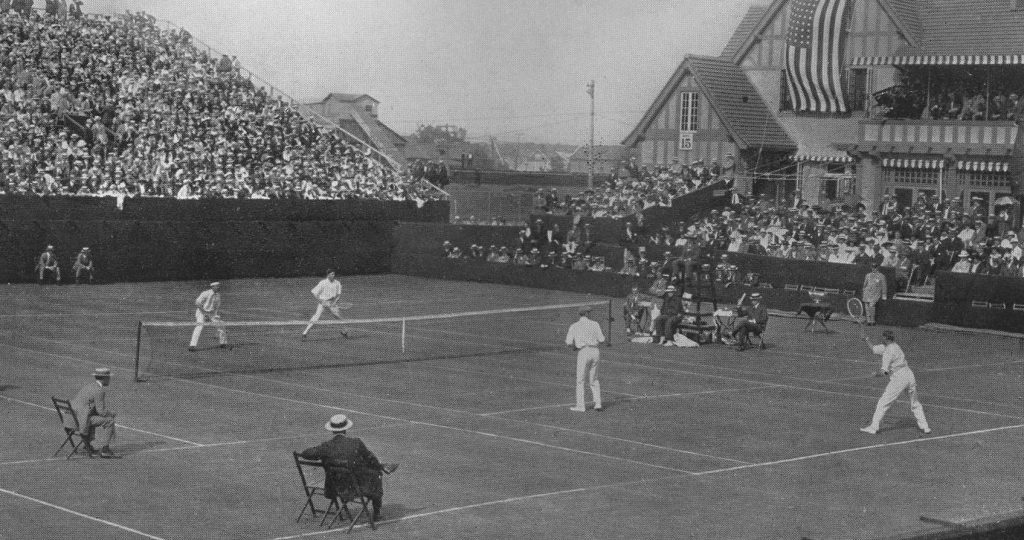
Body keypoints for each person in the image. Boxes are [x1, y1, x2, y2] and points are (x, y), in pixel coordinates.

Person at [299, 414, 396, 522]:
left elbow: (306, 453)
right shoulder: (356, 443)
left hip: (334, 487)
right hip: (354, 487)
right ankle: (377, 513)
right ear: (345, 429)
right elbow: (371, 460)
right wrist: (380, 466)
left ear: (332, 430)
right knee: (377, 474)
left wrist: (320, 452)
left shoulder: (326, 446)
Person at [859, 330, 931, 435]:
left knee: (883, 403)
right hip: (909, 375)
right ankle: (925, 427)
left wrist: (875, 374)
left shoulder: (888, 351)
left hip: (899, 378)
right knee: (915, 403)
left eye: (882, 337)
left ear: (886, 338)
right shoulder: (894, 346)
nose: (881, 339)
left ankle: (873, 427)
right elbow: (874, 349)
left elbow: (884, 372)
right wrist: (866, 339)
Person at [68, 367, 118, 458]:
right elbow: (101, 412)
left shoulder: (89, 386)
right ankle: (105, 450)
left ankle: (86, 445)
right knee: (110, 421)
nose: (110, 379)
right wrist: (112, 413)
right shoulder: (99, 390)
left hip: (73, 418)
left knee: (93, 416)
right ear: (105, 378)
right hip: (81, 420)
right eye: (109, 377)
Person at [564, 305, 605, 412]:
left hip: (583, 352)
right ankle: (598, 403)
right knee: (594, 378)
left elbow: (568, 343)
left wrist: (575, 346)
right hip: (595, 351)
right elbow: (601, 339)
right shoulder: (595, 324)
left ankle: (581, 406)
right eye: (589, 312)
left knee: (580, 380)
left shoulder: (574, 326)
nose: (590, 314)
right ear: (586, 313)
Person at [301, 270, 349, 339]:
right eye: (332, 274)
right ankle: (305, 333)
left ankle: (344, 332)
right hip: (322, 303)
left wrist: (334, 302)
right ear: (328, 275)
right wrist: (321, 301)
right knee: (316, 317)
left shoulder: (337, 283)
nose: (333, 275)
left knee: (339, 317)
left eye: (334, 274)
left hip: (332, 303)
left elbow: (338, 294)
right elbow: (314, 293)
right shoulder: (322, 283)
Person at [189, 282, 230, 351]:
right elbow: (197, 303)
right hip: (201, 312)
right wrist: (205, 314)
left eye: (219, 286)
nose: (219, 287)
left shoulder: (218, 295)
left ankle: (223, 344)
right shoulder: (205, 293)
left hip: (212, 313)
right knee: (199, 327)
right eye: (217, 286)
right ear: (212, 287)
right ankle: (192, 346)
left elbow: (216, 307)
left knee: (221, 325)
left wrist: (215, 316)